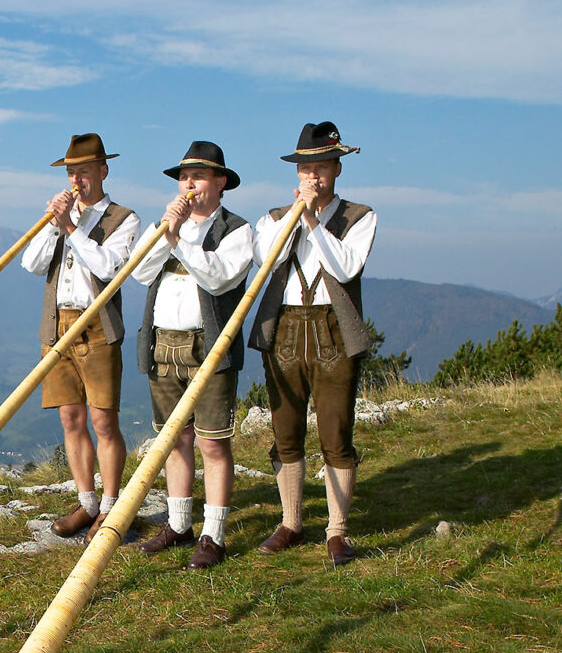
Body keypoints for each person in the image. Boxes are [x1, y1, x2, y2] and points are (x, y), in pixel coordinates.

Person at [247, 121, 377, 566]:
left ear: (337, 169)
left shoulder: (361, 217)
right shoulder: (271, 219)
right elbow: (269, 260)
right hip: (284, 327)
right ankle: (290, 522)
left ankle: (337, 531)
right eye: (305, 169)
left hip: (333, 329)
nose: (312, 177)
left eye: (320, 167)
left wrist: (313, 222)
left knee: (336, 432)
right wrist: (295, 217)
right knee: (286, 431)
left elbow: (345, 268)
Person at [130, 141, 254, 569]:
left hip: (209, 348)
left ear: (220, 183)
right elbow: (141, 272)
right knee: (173, 440)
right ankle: (179, 525)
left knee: (212, 444)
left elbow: (218, 279)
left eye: (197, 177)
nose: (188, 185)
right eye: (184, 178)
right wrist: (166, 232)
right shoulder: (165, 225)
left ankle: (213, 535)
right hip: (164, 343)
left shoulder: (237, 230)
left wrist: (178, 238)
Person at [21, 133, 140, 542]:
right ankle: (86, 502)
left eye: (84, 172)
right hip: (57, 326)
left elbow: (110, 268)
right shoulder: (61, 218)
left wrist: (71, 227)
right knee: (70, 418)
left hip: (97, 327)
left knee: (103, 420)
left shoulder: (124, 219)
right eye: (72, 172)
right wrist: (56, 226)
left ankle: (110, 506)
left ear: (103, 171)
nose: (76, 180)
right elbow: (31, 263)